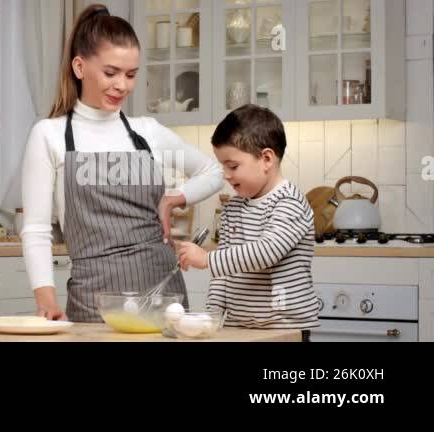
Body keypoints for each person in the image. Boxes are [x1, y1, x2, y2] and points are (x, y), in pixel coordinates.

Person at [21, 4, 224, 322]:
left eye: (131, 75)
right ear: (79, 66)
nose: (122, 85)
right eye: (110, 72)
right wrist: (46, 298)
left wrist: (172, 199)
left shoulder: (148, 132)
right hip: (94, 306)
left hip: (165, 303)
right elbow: (35, 229)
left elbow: (213, 171)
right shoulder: (50, 135)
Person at [176, 105, 319, 336]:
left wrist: (206, 258)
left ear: (266, 159)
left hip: (283, 327)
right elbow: (221, 275)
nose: (226, 174)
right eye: (223, 166)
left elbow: (265, 252)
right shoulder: (233, 208)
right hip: (238, 327)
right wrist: (213, 318)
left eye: (233, 166)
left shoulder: (290, 203)